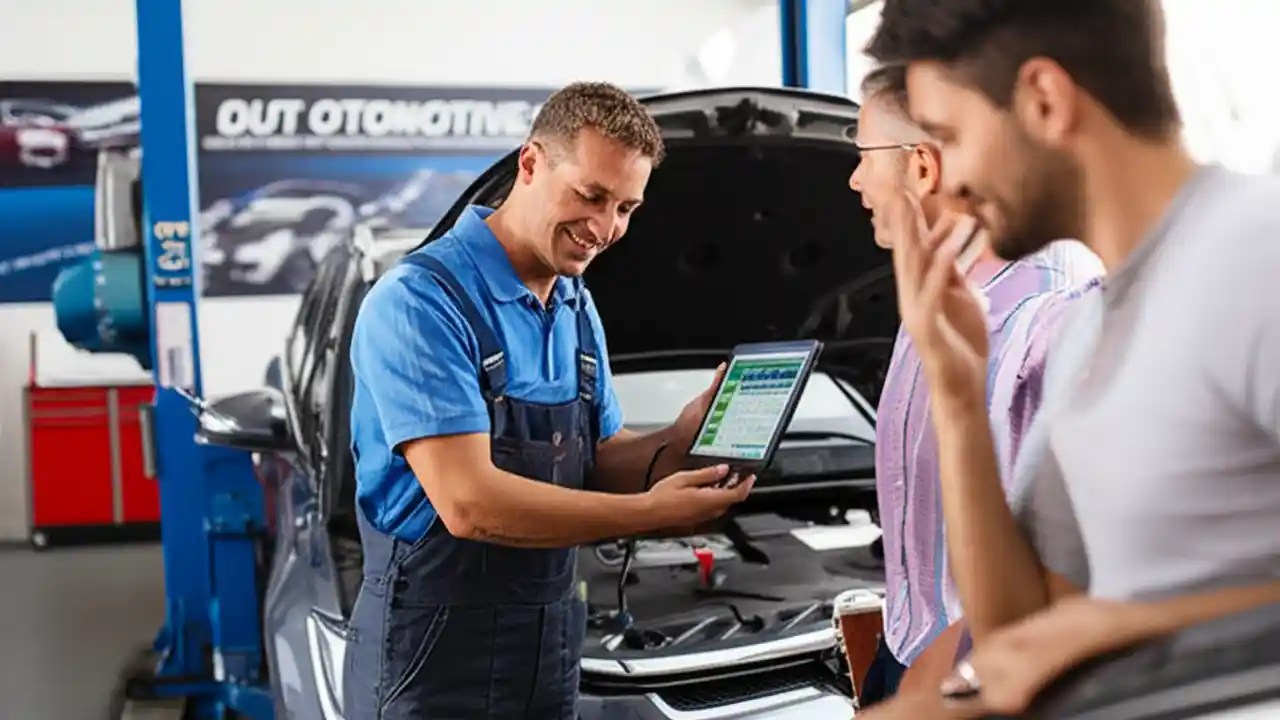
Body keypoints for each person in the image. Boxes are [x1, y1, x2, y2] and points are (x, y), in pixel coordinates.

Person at [859, 0, 1280, 715]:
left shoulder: (1254, 256)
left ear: (1044, 101)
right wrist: (957, 396)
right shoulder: (1093, 328)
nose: (950, 182)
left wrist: (1118, 625)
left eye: (952, 136)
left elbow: (1073, 632)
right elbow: (1019, 633)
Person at [343, 81, 754, 720]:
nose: (605, 228)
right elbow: (470, 503)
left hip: (546, 655)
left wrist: (677, 440)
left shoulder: (574, 305)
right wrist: (649, 514)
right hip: (429, 663)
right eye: (590, 195)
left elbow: (597, 457)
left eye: (626, 208)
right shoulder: (420, 303)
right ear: (530, 163)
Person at [846, 63, 1103, 706]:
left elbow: (1067, 569)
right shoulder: (935, 290)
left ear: (922, 167)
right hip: (902, 654)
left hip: (971, 679)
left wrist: (943, 676)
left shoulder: (1048, 314)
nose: (854, 180)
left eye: (861, 155)